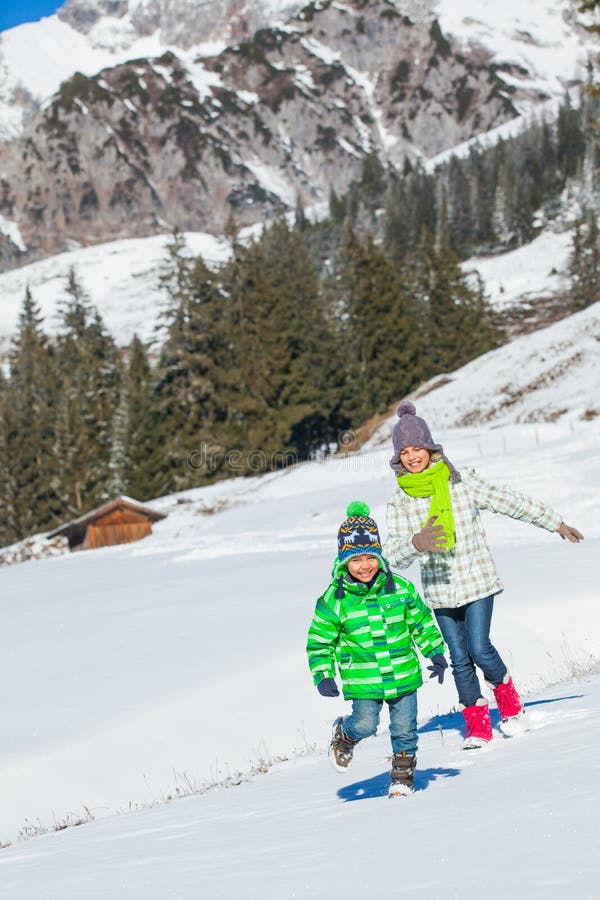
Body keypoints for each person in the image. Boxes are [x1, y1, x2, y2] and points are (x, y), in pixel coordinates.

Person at [385, 401, 584, 749]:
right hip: (442, 592)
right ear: (397, 458)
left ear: (431, 449)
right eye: (405, 451)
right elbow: (392, 555)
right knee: (459, 658)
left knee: (479, 648)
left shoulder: (462, 483)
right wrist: (418, 541)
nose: (412, 456)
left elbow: (509, 500)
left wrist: (555, 523)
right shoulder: (400, 502)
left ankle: (509, 703)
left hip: (476, 581)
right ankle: (477, 726)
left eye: (418, 448)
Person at [306, 500, 447, 797]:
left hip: (403, 671)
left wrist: (434, 650)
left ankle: (403, 777)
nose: (364, 566)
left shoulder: (400, 589)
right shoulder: (334, 600)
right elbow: (320, 641)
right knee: (367, 723)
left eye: (370, 557)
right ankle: (345, 734)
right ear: (344, 562)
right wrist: (323, 674)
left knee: (405, 727)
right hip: (363, 677)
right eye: (355, 561)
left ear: (379, 557)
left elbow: (420, 620)